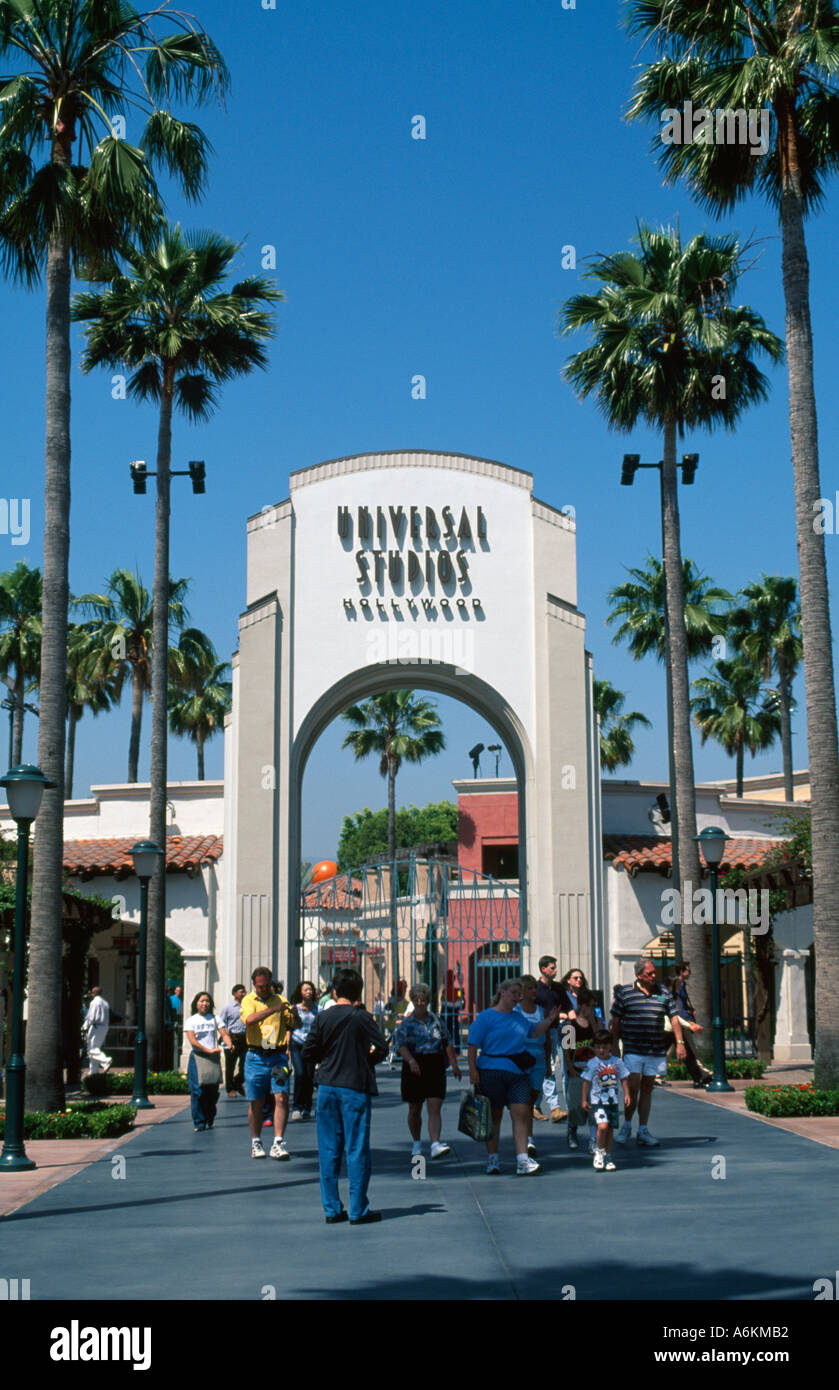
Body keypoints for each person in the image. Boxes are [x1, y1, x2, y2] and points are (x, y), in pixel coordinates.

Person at [302, 967, 389, 1225]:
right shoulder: (361, 1017)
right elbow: (382, 1047)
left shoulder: (323, 1017)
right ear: (358, 992)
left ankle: (331, 1208)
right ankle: (358, 1209)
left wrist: (327, 1060)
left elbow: (308, 1051)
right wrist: (365, 1060)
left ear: (334, 991)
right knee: (357, 1147)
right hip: (354, 1086)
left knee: (329, 1149)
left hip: (327, 1085)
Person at [467, 977, 558, 1176]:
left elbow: (534, 1032)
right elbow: (472, 1044)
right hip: (491, 1071)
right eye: (514, 993)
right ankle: (493, 1159)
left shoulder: (518, 1018)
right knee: (495, 1116)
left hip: (517, 1072)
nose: (518, 997)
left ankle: (522, 1160)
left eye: (520, 993)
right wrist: (473, 1070)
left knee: (521, 1113)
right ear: (503, 992)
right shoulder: (486, 1017)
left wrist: (549, 1020)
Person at [610, 958, 687, 1147]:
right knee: (633, 1086)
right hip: (633, 1049)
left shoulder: (663, 993)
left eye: (654, 972)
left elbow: (674, 1018)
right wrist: (613, 1045)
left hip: (655, 1049)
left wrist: (680, 1043)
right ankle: (627, 1125)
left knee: (647, 1089)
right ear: (639, 975)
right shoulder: (625, 993)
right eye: (649, 973)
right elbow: (616, 1021)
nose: (654, 976)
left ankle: (642, 1129)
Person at [395, 982, 462, 1161]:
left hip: (434, 1063)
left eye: (423, 999)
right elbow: (400, 1045)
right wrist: (411, 1061)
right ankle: (416, 1142)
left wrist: (454, 1065)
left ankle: (435, 1143)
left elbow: (447, 1042)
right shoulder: (407, 1024)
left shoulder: (437, 1021)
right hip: (414, 1064)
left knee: (434, 1106)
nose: (420, 1003)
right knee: (414, 1107)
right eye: (417, 999)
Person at [240, 966, 297, 1160]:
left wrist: (294, 1014)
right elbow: (249, 1020)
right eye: (259, 987)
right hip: (256, 1056)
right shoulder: (249, 1000)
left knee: (281, 1098)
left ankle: (278, 1142)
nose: (263, 990)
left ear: (271, 983)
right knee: (257, 1101)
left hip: (278, 1056)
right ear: (254, 985)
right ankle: (256, 1141)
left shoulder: (282, 1000)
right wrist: (273, 1010)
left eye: (266, 986)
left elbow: (293, 1024)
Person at [557, 967, 599, 1150]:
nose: (592, 1009)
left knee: (594, 1105)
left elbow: (599, 1040)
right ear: (582, 1005)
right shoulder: (570, 1025)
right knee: (575, 1106)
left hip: (592, 1069)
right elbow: (566, 1049)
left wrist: (594, 1022)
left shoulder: (595, 1022)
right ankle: (572, 1131)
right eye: (590, 1006)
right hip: (576, 1069)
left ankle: (592, 1139)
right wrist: (570, 1068)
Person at [581, 1029, 632, 1172]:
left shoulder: (617, 1062)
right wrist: (584, 1100)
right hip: (598, 1102)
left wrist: (627, 1094)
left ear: (610, 1046)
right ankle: (599, 1152)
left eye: (604, 1047)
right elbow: (586, 1082)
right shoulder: (592, 1063)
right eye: (598, 1047)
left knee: (609, 1130)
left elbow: (624, 1078)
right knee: (602, 1126)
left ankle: (608, 1156)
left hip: (613, 1102)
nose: (601, 1050)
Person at [185, 992, 233, 1132]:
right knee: (197, 1091)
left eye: (207, 1001)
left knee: (212, 1092)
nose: (204, 1003)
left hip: (212, 1059)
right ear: (196, 1003)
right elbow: (193, 1041)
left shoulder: (215, 1019)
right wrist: (208, 1050)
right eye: (201, 1001)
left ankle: (209, 1117)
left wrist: (229, 1044)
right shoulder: (191, 1021)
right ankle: (199, 1122)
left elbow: (224, 1034)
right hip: (198, 1058)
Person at [514, 975, 549, 1160]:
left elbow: (548, 1037)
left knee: (532, 1099)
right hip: (521, 1058)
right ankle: (527, 1138)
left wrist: (549, 1061)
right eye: (529, 988)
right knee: (524, 1100)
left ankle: (527, 1135)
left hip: (539, 1059)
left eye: (535, 988)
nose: (534, 991)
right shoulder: (516, 1010)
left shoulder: (541, 1011)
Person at [534, 956, 566, 1122]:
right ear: (543, 969)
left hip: (556, 1030)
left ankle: (535, 1105)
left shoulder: (558, 989)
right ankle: (554, 1107)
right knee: (549, 1068)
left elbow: (566, 1006)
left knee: (548, 1068)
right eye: (552, 968)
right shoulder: (536, 990)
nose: (555, 971)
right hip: (540, 1032)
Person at [669, 962, 713, 1087]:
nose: (690, 972)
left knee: (686, 1053)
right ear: (681, 971)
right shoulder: (676, 988)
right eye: (687, 970)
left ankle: (701, 1076)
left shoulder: (679, 987)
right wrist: (689, 1023)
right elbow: (678, 1011)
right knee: (691, 1052)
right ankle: (703, 1075)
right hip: (680, 1025)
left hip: (680, 1024)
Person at [289, 980, 319, 1119]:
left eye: (310, 989)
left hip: (311, 1045)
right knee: (300, 1074)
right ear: (300, 992)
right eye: (306, 989)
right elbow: (290, 1027)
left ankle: (307, 1106)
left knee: (309, 1076)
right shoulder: (295, 1008)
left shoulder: (318, 1009)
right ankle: (296, 1107)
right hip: (297, 1043)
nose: (309, 992)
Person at [219, 984, 247, 1097]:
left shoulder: (247, 1006)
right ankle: (230, 1089)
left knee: (245, 1065)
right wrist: (227, 1039)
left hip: (245, 1039)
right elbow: (221, 1023)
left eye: (244, 991)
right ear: (235, 994)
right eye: (241, 992)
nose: (244, 993)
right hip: (232, 1039)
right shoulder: (228, 1007)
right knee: (230, 1066)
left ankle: (237, 1082)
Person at [83, 987, 112, 1074]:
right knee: (96, 1049)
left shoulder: (94, 1002)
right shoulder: (105, 1003)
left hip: (96, 1027)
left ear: (94, 993)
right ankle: (93, 1073)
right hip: (104, 1027)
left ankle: (106, 1060)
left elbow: (91, 1017)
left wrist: (84, 1028)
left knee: (91, 1049)